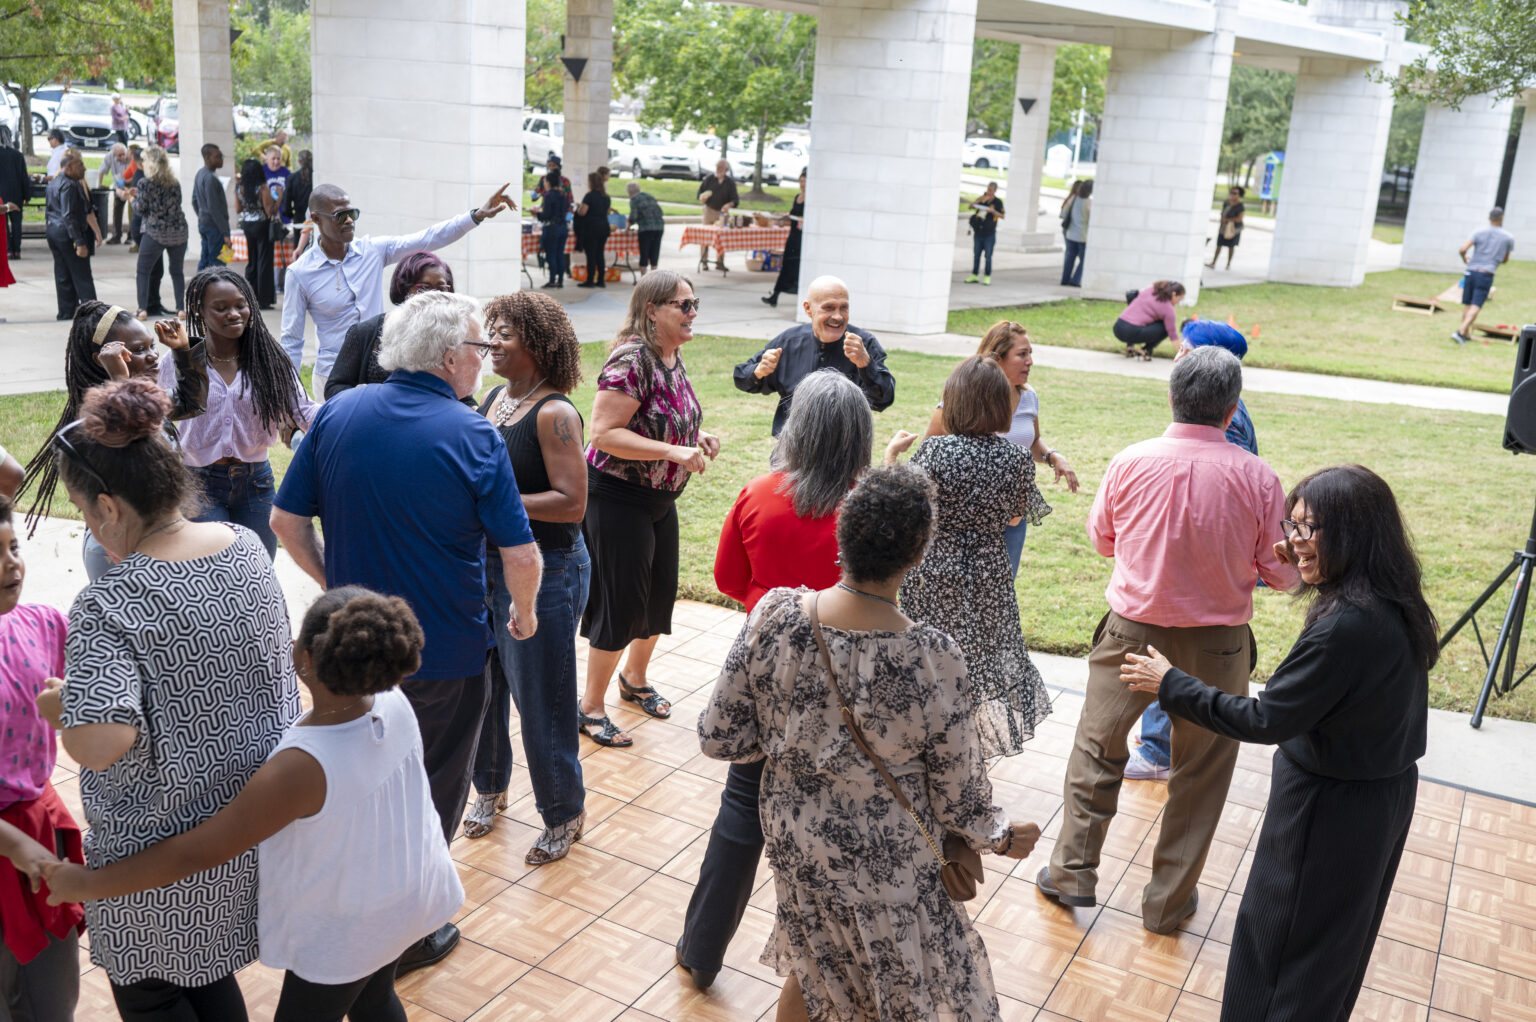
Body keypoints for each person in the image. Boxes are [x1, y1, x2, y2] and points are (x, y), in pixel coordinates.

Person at [697, 464, 1042, 1022]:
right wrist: (1003, 837)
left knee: (817, 965)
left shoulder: (775, 617)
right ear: (917, 554)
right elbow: (960, 801)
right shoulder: (934, 658)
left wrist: (797, 735)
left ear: (842, 533)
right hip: (889, 867)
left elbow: (720, 737)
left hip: (797, 844)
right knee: (904, 993)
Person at [270, 290, 542, 972]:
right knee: (431, 791)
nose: (484, 362)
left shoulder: (337, 413)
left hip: (348, 654)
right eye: (479, 350)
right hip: (443, 651)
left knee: (359, 784)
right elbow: (520, 553)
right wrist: (527, 613)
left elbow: (284, 521)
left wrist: (334, 581)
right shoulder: (474, 432)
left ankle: (353, 916)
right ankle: (407, 931)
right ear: (451, 358)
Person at [44, 587, 462, 1022]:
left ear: (305, 656)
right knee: (373, 998)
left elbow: (197, 851)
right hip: (411, 892)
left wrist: (86, 885)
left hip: (352, 927)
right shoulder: (393, 703)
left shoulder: (302, 767)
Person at [1121, 465, 1435, 1021]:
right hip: (1379, 799)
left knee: (1277, 946)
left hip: (1325, 808)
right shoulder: (1393, 599)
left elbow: (1265, 718)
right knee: (1333, 948)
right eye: (1292, 526)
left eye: (1310, 529)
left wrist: (1170, 683)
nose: (1294, 541)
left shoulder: (1346, 627)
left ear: (1355, 536)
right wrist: (1311, 564)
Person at [39, 377, 300, 1021]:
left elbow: (101, 744)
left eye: (82, 507)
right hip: (249, 836)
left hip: (155, 871)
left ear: (107, 505)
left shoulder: (110, 600)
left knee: (158, 994)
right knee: (211, 983)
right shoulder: (245, 551)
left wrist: (63, 709)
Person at [1037, 347, 1296, 935]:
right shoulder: (1258, 477)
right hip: (1218, 646)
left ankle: (1072, 873)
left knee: (1097, 752)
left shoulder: (1130, 462)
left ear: (1171, 397)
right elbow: (1280, 573)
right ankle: (1168, 905)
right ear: (1232, 411)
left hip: (1131, 632)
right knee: (1200, 773)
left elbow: (1103, 541)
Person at [677, 371, 874, 991]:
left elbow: (728, 578)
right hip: (848, 681)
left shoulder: (759, 493)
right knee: (836, 823)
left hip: (766, 672)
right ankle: (829, 970)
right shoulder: (868, 509)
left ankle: (701, 953)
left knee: (741, 809)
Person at [463, 293, 590, 865]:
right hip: (487, 568)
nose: (491, 341)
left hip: (548, 571)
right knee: (484, 689)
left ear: (537, 346)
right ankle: (489, 789)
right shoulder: (493, 399)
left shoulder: (555, 413)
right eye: (491, 330)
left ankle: (563, 812)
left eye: (505, 333)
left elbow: (571, 503)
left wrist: (498, 502)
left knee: (542, 698)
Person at [580, 271, 719, 748]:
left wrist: (693, 437)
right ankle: (590, 706)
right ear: (652, 310)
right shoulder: (631, 358)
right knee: (620, 604)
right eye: (683, 304)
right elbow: (603, 433)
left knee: (658, 595)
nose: (692, 311)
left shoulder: (670, 356)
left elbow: (663, 416)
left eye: (694, 303)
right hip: (617, 497)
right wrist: (671, 452)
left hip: (660, 499)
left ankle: (634, 680)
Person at [893, 356, 1053, 758]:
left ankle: (922, 738)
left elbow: (908, 508)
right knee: (974, 659)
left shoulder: (934, 452)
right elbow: (1016, 516)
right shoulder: (1017, 458)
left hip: (934, 572)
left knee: (928, 659)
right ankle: (960, 744)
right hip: (988, 572)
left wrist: (892, 457)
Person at [1127, 318, 1258, 782]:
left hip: (1193, 578)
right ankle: (1162, 745)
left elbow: (1213, 505)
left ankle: (1160, 749)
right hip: (1199, 574)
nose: (1177, 355)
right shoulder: (1225, 412)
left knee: (1171, 653)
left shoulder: (1230, 427)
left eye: (1187, 349)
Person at [19, 302, 207, 578]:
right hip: (114, 547)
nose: (155, 356)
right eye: (139, 350)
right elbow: (141, 464)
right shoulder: (93, 424)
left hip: (153, 539)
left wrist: (182, 351)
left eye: (152, 346)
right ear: (104, 360)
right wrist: (120, 380)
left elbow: (191, 402)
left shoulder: (145, 402)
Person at [280, 181, 515, 400]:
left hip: (380, 370)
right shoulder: (300, 273)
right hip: (332, 376)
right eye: (341, 216)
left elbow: (428, 238)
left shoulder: (372, 250)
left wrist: (476, 216)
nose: (350, 221)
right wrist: (290, 398)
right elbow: (291, 340)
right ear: (316, 219)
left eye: (353, 214)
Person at [0, 493, 86, 1022]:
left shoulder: (44, 624)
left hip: (40, 832)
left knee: (55, 994)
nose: (11, 563)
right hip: (16, 845)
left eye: (13, 546)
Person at [167, 267, 316, 559]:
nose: (233, 314)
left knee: (259, 570)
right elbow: (157, 418)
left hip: (256, 484)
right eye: (220, 308)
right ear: (199, 311)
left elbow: (304, 411)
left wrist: (352, 416)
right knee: (214, 573)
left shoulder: (269, 360)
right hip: (198, 484)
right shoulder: (179, 361)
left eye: (240, 305)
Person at [925, 321, 1080, 576]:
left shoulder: (1029, 397)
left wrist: (1054, 457)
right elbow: (931, 449)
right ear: (997, 358)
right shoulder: (962, 398)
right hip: (964, 519)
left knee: (999, 595)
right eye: (1022, 354)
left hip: (1012, 520)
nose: (1030, 361)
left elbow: (1030, 443)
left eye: (1031, 353)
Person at [733, 275, 896, 437]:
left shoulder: (864, 345)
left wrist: (865, 364)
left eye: (844, 308)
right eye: (829, 307)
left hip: (845, 453)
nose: (838, 316)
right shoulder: (789, 342)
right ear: (808, 309)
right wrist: (759, 371)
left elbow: (884, 400)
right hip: (791, 451)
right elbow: (741, 378)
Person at [324, 253, 454, 399]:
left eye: (441, 289)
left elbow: (463, 394)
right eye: (423, 288)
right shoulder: (365, 333)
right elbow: (334, 388)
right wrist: (367, 395)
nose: (434, 296)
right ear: (404, 289)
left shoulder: (453, 336)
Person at [131, 145, 189, 320]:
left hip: (155, 232)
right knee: (177, 271)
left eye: (144, 159)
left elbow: (140, 209)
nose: (142, 162)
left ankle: (142, 309)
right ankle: (181, 308)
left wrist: (132, 198)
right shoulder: (174, 183)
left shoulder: (145, 183)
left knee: (143, 271)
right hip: (178, 231)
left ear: (151, 163)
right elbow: (176, 203)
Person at [1452, 206, 1516, 345]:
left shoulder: (1478, 232)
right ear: (1502, 218)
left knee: (1468, 304)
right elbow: (1505, 260)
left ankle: (1466, 333)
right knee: (1476, 305)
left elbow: (1463, 249)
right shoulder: (1508, 237)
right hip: (1486, 274)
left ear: (1489, 218)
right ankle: (1461, 331)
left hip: (1470, 272)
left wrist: (1465, 259)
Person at [44, 149, 94, 320]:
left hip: (54, 232)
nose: (84, 168)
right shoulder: (70, 185)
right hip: (67, 234)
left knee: (63, 273)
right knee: (82, 275)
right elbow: (68, 215)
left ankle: (66, 311)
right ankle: (91, 313)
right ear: (70, 166)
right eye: (80, 165)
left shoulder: (54, 182)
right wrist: (79, 242)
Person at [236, 157, 278, 310]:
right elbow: (269, 211)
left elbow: (237, 209)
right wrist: (279, 198)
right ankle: (263, 299)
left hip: (247, 225)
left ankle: (249, 297)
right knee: (264, 261)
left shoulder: (239, 187)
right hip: (261, 224)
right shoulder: (262, 188)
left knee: (252, 260)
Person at [761, 171, 805, 307]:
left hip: (802, 238)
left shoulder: (811, 199)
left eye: (805, 181)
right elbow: (793, 214)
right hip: (792, 236)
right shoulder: (798, 197)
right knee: (786, 265)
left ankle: (800, 298)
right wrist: (783, 218)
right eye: (801, 181)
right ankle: (775, 295)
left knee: (797, 268)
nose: (803, 184)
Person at [1114, 279, 1185, 361]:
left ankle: (1130, 347)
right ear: (1174, 294)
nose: (1177, 302)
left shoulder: (1150, 290)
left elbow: (1132, 296)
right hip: (1132, 333)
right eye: (1179, 299)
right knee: (1166, 328)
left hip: (1118, 328)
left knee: (1138, 317)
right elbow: (1173, 337)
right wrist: (1184, 356)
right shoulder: (1168, 310)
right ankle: (1146, 350)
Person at [192, 143, 230, 271]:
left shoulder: (200, 174)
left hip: (205, 223)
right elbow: (214, 208)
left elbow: (194, 200)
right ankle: (213, 289)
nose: (221, 159)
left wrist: (202, 215)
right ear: (207, 158)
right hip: (215, 227)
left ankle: (199, 288)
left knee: (205, 258)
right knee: (217, 264)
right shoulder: (210, 179)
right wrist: (225, 233)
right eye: (218, 156)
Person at [697, 159, 739, 269]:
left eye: (721, 168)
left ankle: (720, 262)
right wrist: (703, 198)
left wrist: (729, 205)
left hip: (722, 212)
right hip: (709, 210)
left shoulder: (729, 182)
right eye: (717, 167)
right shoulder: (709, 179)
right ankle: (704, 261)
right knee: (705, 236)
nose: (718, 170)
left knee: (722, 236)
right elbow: (699, 194)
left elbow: (735, 199)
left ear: (726, 169)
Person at [574, 170, 611, 288]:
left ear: (591, 183)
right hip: (604, 227)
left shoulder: (589, 196)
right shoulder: (606, 197)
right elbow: (607, 212)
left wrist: (579, 207)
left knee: (591, 255)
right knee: (600, 254)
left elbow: (582, 212)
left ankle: (590, 280)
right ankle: (601, 280)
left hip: (591, 228)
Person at [964, 181, 1005, 285]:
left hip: (989, 233)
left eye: (990, 190)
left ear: (994, 191)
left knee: (988, 256)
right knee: (976, 255)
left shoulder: (997, 202)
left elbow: (1003, 215)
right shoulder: (982, 199)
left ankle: (987, 276)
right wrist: (978, 201)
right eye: (987, 189)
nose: (988, 192)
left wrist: (993, 211)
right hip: (978, 232)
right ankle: (974, 275)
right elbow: (971, 207)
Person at [538, 162, 572, 289]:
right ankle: (560, 280)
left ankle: (552, 280)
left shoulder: (549, 195)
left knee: (551, 255)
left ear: (548, 182)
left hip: (552, 228)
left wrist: (536, 214)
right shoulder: (563, 195)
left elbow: (546, 215)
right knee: (560, 254)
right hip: (563, 227)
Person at [94, 143, 133, 245]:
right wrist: (100, 184)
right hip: (119, 186)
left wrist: (126, 184)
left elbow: (136, 173)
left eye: (124, 154)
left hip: (131, 187)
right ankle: (116, 236)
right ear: (114, 155)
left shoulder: (130, 157)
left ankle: (131, 236)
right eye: (119, 155)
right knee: (117, 211)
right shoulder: (109, 157)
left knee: (132, 212)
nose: (123, 157)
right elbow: (101, 171)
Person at [626, 180, 665, 276]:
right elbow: (660, 212)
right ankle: (654, 278)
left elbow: (633, 217)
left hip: (646, 228)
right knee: (655, 252)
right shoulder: (649, 196)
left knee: (644, 253)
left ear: (629, 192)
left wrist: (628, 227)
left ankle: (644, 279)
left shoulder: (634, 199)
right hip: (659, 227)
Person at [1061, 179, 1091, 287]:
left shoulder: (1073, 199)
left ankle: (1065, 279)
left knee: (1069, 258)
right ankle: (1075, 280)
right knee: (1084, 260)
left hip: (1070, 234)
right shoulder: (1089, 203)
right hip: (1083, 236)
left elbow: (1063, 213)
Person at [1209, 185, 1245, 270]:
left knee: (1231, 246)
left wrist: (1227, 219)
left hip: (1233, 229)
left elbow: (1239, 219)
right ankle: (1213, 262)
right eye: (1231, 192)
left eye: (1235, 193)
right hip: (1224, 227)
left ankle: (1228, 264)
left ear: (1239, 195)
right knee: (1219, 244)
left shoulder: (1240, 206)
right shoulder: (1226, 202)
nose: (1232, 194)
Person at [0, 139, 26, 260]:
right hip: (16, 193)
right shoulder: (18, 155)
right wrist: (27, 195)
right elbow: (23, 176)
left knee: (3, 224)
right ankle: (17, 249)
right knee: (17, 224)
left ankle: (8, 250)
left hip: (1, 194)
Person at [283, 149, 312, 242]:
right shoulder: (316, 176)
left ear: (299, 162)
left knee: (299, 247)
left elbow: (286, 200)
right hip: (314, 216)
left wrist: (290, 214)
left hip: (298, 217)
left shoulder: (292, 178)